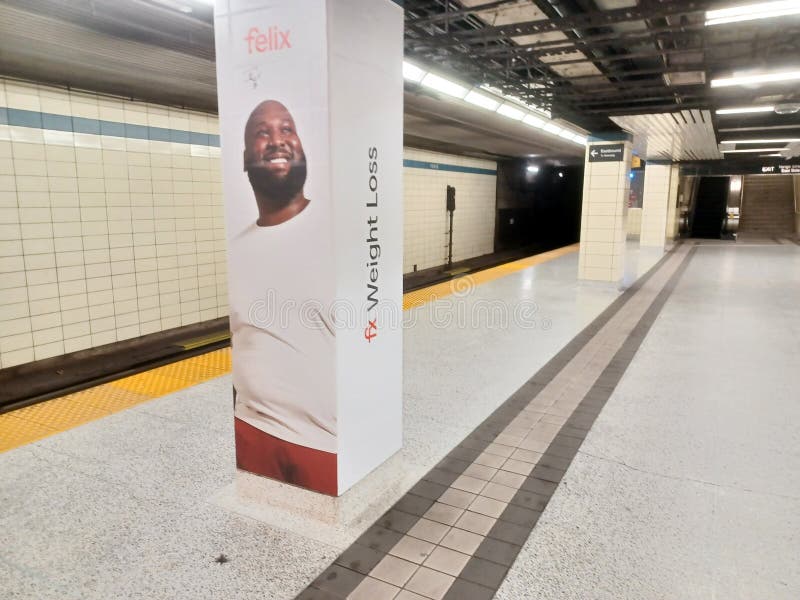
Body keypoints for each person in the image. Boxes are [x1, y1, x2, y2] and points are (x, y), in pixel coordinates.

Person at [230, 100, 337, 495]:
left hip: (325, 442)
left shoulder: (336, 231)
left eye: (287, 129)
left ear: (303, 149)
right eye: (262, 132)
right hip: (252, 427)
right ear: (244, 158)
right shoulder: (237, 247)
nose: (276, 140)